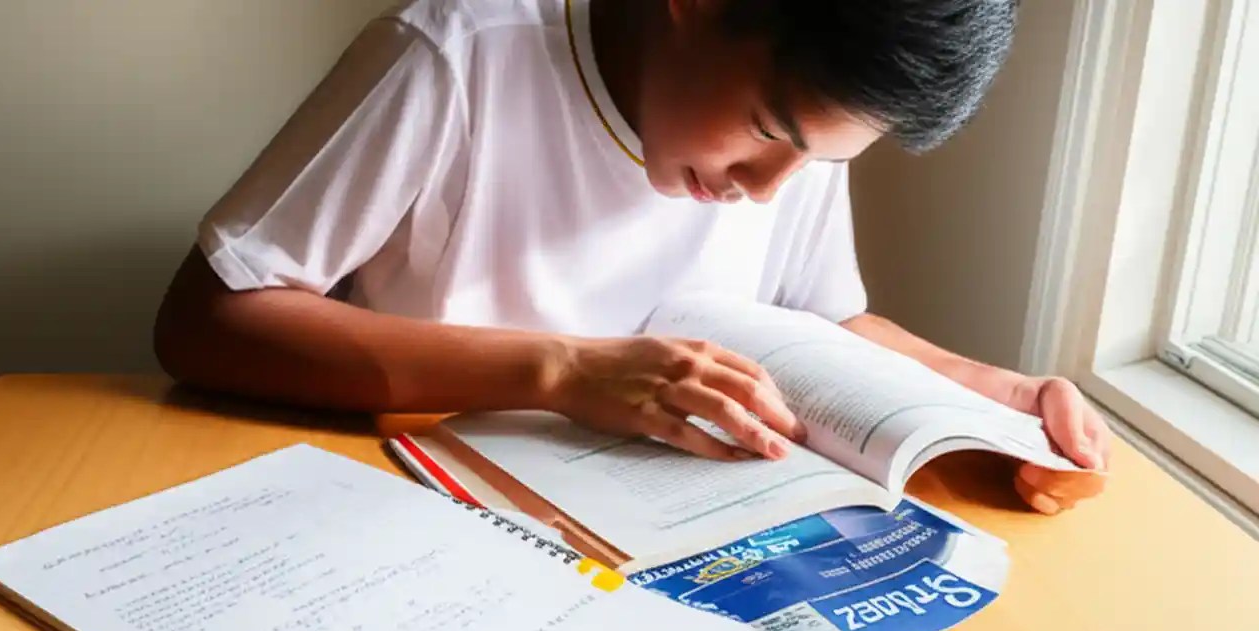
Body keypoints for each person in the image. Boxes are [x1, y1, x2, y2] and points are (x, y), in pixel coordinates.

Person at [155, 0, 1109, 515]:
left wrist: (975, 386)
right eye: (768, 131)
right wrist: (562, 369)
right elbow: (206, 320)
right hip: (411, 506)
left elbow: (825, 323)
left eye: (813, 159)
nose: (769, 187)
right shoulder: (456, 56)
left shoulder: (789, 155)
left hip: (655, 534)